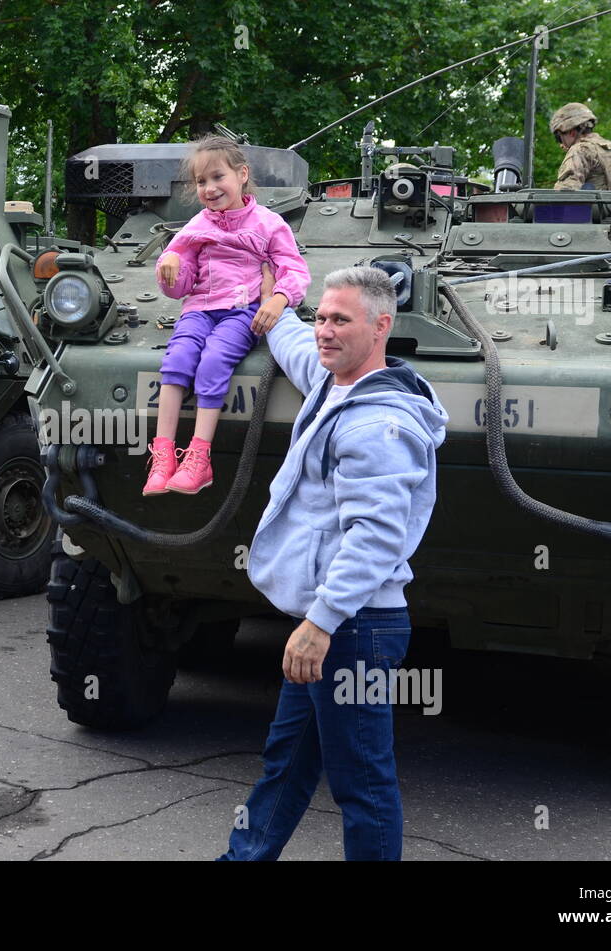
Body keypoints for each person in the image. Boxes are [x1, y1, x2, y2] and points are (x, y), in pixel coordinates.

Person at [222, 266, 448, 862]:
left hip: (354, 628)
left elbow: (375, 536)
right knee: (287, 763)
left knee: (362, 784)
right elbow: (295, 341)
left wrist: (320, 624)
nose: (324, 330)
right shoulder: (334, 383)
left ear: (381, 328)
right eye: (322, 316)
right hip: (333, 625)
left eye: (339, 320)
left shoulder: (379, 422)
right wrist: (275, 295)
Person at [146, 135, 310, 496]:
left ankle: (199, 458)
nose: (209, 188)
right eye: (201, 182)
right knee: (177, 361)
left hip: (241, 312)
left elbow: (294, 269)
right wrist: (168, 267)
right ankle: (162, 455)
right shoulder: (195, 227)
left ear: (242, 174)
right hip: (199, 310)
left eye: (218, 177)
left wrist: (279, 298)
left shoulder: (268, 224)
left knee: (213, 361)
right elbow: (180, 284)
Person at [551, 102, 611, 191]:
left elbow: (565, 190)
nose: (561, 144)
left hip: (596, 205)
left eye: (559, 137)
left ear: (571, 132)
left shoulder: (580, 150)